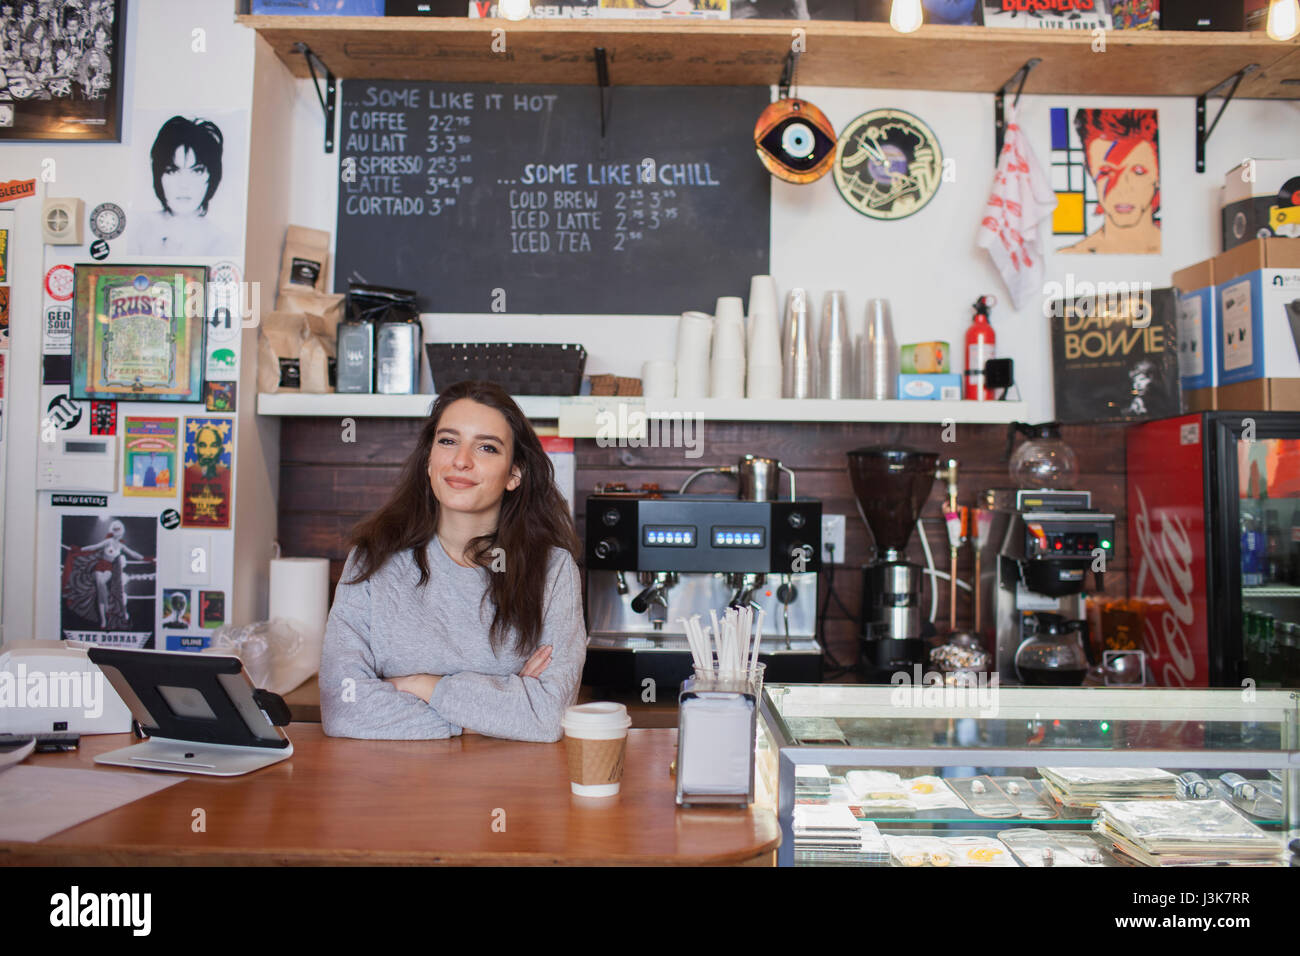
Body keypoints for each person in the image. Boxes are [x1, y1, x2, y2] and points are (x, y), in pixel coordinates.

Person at [320, 380, 586, 742]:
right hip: (390, 790)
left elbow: (549, 716)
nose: (461, 460)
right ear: (429, 459)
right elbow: (343, 705)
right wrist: (494, 713)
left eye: (487, 448)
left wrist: (421, 686)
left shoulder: (553, 572)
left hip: (509, 792)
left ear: (514, 474)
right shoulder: (372, 560)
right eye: (447, 441)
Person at [1060, 108, 1161, 255]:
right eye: (1106, 172)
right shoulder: (1070, 256)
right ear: (1090, 170)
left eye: (1138, 172)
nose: (1122, 188)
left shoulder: (1181, 255)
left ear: (1157, 174)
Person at [130, 115, 232, 256]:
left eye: (197, 171)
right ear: (159, 175)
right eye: (173, 171)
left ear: (212, 175)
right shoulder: (136, 230)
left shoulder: (221, 243)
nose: (184, 184)